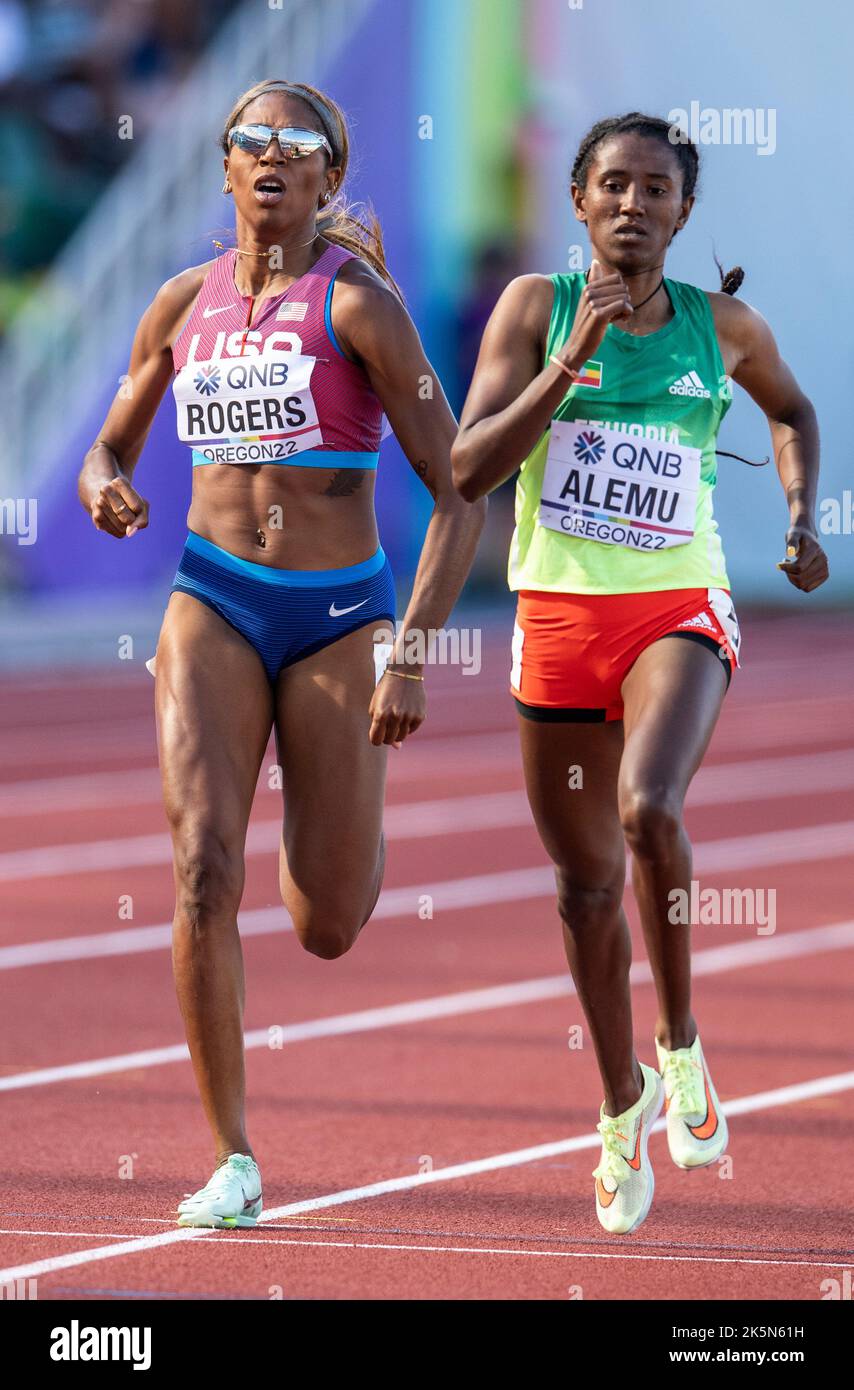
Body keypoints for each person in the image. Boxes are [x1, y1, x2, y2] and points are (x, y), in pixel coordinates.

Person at [78, 78, 485, 1229]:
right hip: (209, 598)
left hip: (339, 618)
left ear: (326, 178)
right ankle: (231, 1157)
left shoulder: (359, 308)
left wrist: (408, 650)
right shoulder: (175, 304)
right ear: (223, 169)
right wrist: (105, 482)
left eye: (295, 143)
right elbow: (109, 446)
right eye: (248, 139)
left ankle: (352, 818)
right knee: (203, 866)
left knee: (327, 921)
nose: (269, 155)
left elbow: (456, 492)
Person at [451, 112, 828, 1234]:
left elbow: (794, 411)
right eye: (609, 185)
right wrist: (566, 365)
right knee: (579, 888)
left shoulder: (724, 327)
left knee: (646, 806)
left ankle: (680, 1039)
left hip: (676, 605)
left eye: (653, 189)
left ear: (681, 211)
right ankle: (621, 1101)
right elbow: (468, 467)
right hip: (558, 617)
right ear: (577, 202)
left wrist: (803, 519)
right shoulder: (534, 310)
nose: (630, 204)